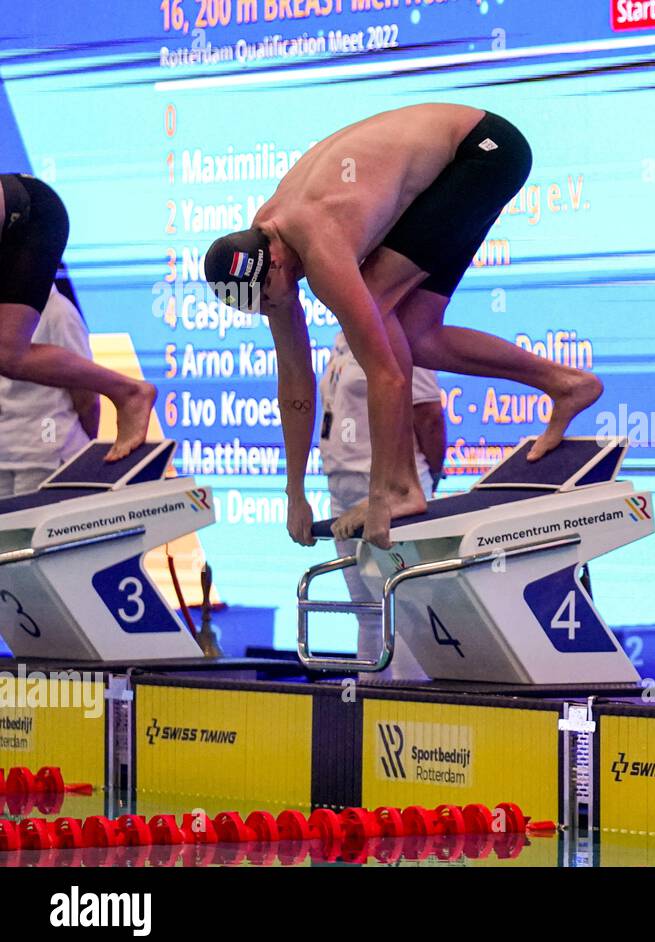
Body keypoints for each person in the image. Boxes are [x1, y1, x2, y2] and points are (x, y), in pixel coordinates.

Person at [203, 105, 602, 549]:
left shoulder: (318, 247)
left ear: (274, 262)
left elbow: (387, 375)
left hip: (483, 152)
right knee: (416, 334)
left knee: (375, 305)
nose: (271, 309)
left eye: (268, 299)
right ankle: (566, 384)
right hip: (461, 165)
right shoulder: (267, 252)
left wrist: (378, 499)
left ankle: (401, 487)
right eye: (255, 308)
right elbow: (296, 380)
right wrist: (294, 492)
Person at [0, 174, 154, 461]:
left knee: (6, 351)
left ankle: (129, 392)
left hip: (30, 216)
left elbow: (85, 402)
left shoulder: (60, 315)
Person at [319, 331, 444, 676]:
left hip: (390, 488)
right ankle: (366, 710)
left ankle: (408, 710)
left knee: (405, 610)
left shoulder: (399, 334)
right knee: (368, 612)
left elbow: (429, 417)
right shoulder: (342, 336)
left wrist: (428, 476)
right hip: (341, 486)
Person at [0, 286, 98, 495]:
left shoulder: (58, 312)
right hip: (6, 453)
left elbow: (85, 391)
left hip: (48, 452)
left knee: (35, 526)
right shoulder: (8, 311)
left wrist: (87, 448)